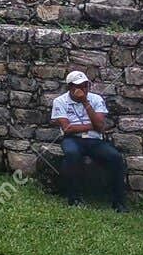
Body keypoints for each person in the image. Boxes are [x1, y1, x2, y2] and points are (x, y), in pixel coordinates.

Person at [50, 70, 127, 211]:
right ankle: (74, 198)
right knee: (72, 154)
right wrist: (93, 126)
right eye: (80, 86)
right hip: (72, 139)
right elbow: (67, 128)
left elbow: (99, 126)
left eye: (86, 86)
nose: (84, 89)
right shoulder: (60, 101)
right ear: (71, 87)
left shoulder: (95, 99)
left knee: (115, 157)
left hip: (94, 140)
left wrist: (85, 102)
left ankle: (119, 202)